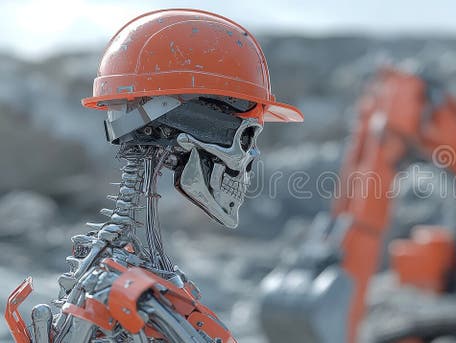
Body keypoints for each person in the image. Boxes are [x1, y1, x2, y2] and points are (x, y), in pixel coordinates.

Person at [4, 9, 301, 342]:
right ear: (189, 130)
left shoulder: (130, 275)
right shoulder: (117, 291)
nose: (251, 158)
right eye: (244, 137)